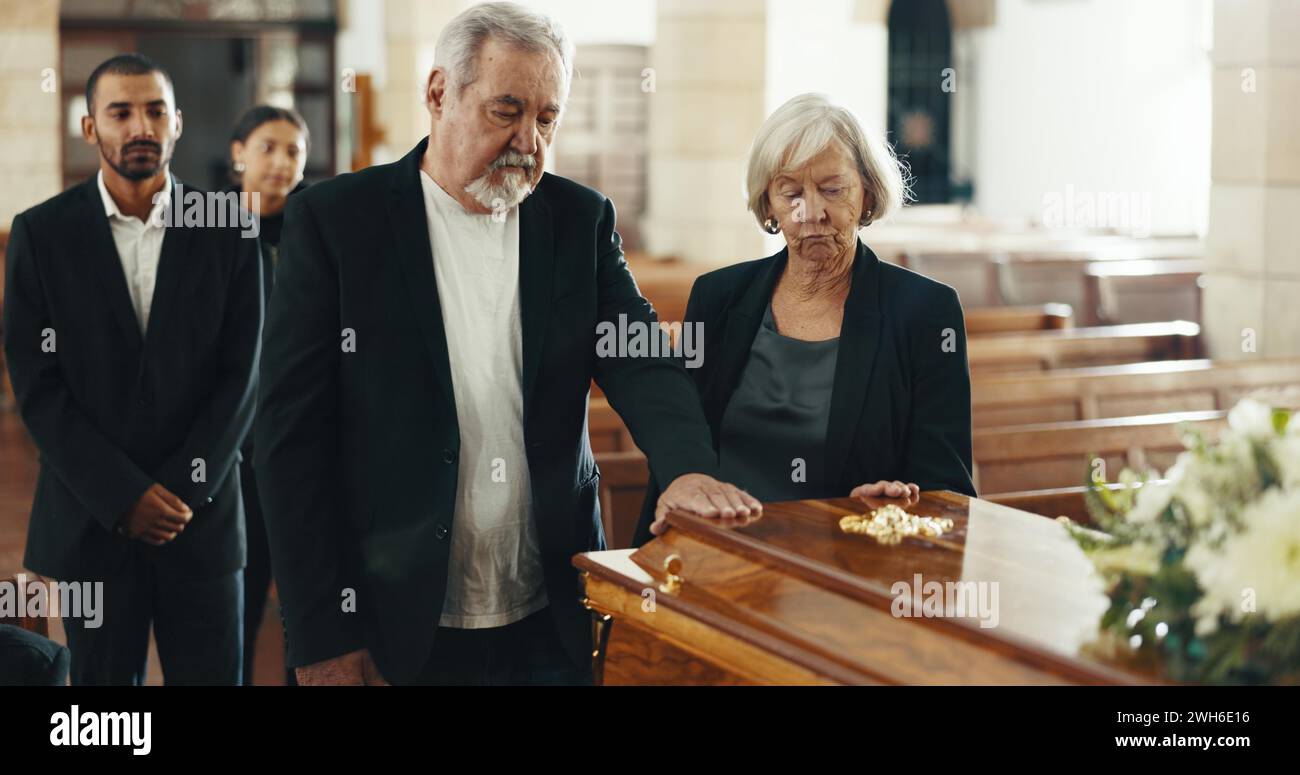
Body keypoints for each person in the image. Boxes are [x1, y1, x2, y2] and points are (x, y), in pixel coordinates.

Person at [255, 2, 759, 687]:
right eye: (507, 110)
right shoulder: (338, 223)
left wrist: (689, 466)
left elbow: (638, 353)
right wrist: (320, 637)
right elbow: (290, 439)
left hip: (549, 607)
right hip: (392, 618)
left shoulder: (577, 219)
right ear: (439, 94)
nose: (529, 140)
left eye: (546, 118)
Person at [2, 54, 262, 684]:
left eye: (154, 110)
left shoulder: (229, 223)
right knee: (107, 714)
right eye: (120, 111)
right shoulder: (43, 233)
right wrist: (124, 497)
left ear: (177, 123)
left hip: (199, 523)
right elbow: (40, 388)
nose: (140, 125)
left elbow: (243, 373)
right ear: (90, 128)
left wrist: (179, 493)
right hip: (94, 523)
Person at [633, 93, 977, 545]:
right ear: (769, 205)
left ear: (868, 191)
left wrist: (896, 502)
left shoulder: (926, 314)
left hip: (846, 561)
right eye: (790, 192)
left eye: (832, 189)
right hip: (717, 551)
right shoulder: (718, 297)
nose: (810, 212)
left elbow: (947, 489)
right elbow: (683, 434)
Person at [227, 104, 309, 684]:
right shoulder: (207, 229)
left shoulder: (314, 230)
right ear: (238, 155)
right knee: (237, 593)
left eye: (293, 151)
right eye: (268, 148)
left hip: (302, 441)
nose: (281, 162)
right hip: (232, 449)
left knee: (306, 600)